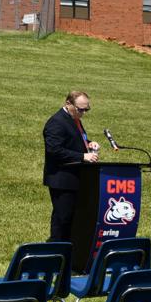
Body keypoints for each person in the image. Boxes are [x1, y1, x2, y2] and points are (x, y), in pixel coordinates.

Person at [43, 90, 100, 244]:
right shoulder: (56, 122)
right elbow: (54, 150)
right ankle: (55, 250)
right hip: (62, 179)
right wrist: (82, 156)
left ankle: (68, 253)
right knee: (62, 219)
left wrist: (88, 144)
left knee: (71, 219)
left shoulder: (74, 118)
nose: (83, 113)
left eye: (86, 109)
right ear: (68, 104)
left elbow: (74, 140)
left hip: (75, 177)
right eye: (80, 109)